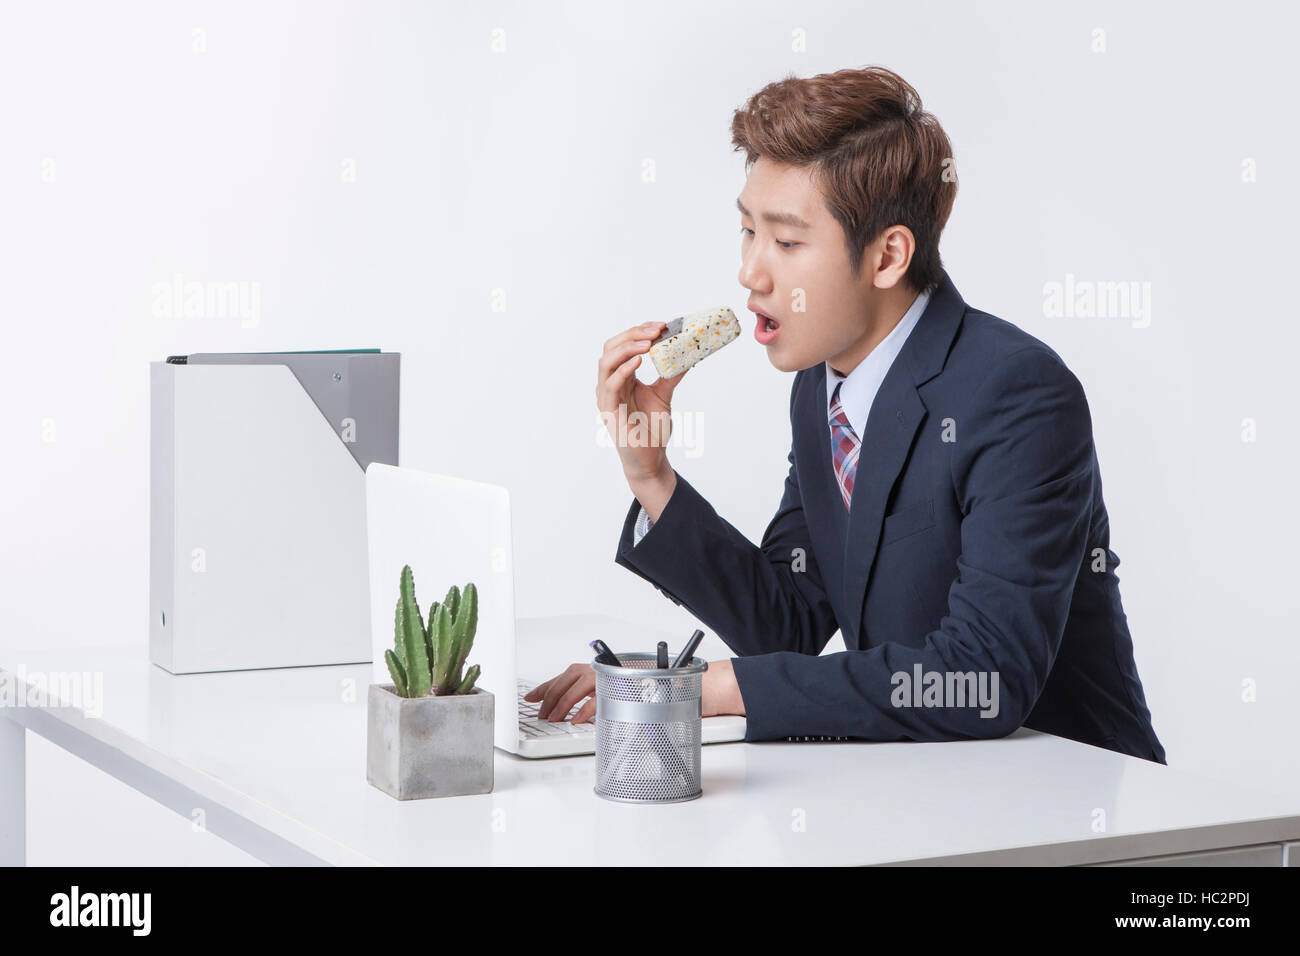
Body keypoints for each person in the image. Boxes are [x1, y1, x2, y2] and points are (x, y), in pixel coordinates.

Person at [526, 65, 1166, 763]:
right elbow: (788, 622)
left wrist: (700, 687)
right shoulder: (819, 386)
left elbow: (982, 677)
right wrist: (650, 474)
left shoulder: (1017, 393)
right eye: (748, 231)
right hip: (925, 793)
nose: (751, 272)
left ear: (888, 256)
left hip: (1077, 804)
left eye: (788, 241)